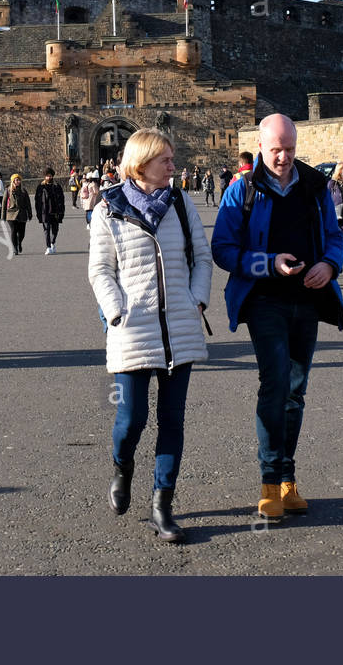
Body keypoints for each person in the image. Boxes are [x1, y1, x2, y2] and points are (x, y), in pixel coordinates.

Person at [211, 114, 343, 522]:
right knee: (274, 385)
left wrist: (329, 264)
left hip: (307, 299)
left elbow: (336, 237)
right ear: (260, 146)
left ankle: (288, 479)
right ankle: (270, 481)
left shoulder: (316, 187)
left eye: (289, 148)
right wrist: (270, 264)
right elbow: (223, 249)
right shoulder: (242, 189)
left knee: (295, 390)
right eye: (276, 149)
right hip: (264, 300)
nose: (284, 157)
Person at [89, 128, 212, 543]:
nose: (174, 167)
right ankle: (122, 469)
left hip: (179, 325)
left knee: (172, 420)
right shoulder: (108, 208)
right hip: (133, 328)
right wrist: (116, 311)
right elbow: (100, 270)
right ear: (141, 165)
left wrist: (197, 298)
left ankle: (163, 504)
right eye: (166, 161)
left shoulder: (180, 201)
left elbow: (202, 255)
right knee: (131, 420)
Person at [35, 167, 66, 254]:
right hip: (45, 212)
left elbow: (62, 199)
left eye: (50, 176)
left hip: (55, 211)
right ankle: (48, 247)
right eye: (47, 176)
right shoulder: (40, 187)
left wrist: (62, 211)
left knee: (55, 230)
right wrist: (38, 213)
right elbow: (37, 201)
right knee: (46, 230)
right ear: (45, 177)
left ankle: (52, 243)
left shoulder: (57, 186)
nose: (49, 177)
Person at [2, 173, 32, 254]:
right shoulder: (8, 190)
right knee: (14, 231)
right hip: (11, 214)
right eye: (16, 180)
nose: (18, 181)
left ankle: (19, 243)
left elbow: (28, 203)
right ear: (13, 181)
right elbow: (4, 203)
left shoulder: (23, 190)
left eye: (19, 180)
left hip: (22, 213)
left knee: (22, 233)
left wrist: (30, 213)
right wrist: (3, 216)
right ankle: (15, 248)